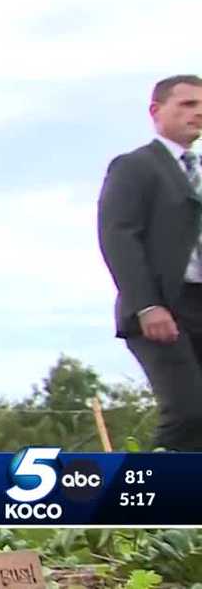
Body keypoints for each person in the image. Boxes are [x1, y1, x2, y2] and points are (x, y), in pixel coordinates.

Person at [98, 74, 202, 452]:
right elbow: (119, 236)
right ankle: (144, 500)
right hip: (161, 308)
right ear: (157, 111)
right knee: (189, 411)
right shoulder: (136, 167)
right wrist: (147, 304)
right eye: (187, 104)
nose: (198, 113)